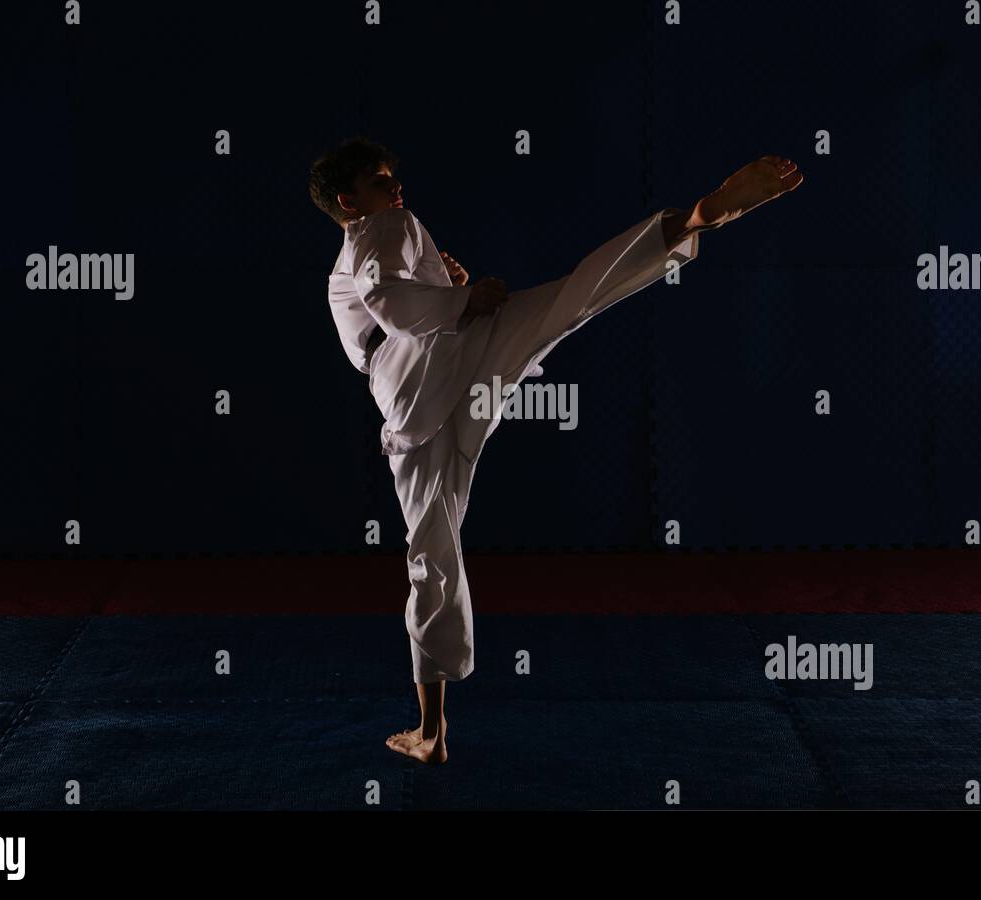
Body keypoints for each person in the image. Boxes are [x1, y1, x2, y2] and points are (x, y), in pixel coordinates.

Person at [310, 136, 803, 764]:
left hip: (416, 383)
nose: (396, 190)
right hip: (439, 357)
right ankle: (692, 220)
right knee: (568, 303)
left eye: (392, 180)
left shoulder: (370, 240)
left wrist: (448, 287)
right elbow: (389, 301)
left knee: (432, 547)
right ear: (350, 201)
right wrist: (457, 295)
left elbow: (390, 299)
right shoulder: (382, 226)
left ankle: (431, 732)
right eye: (381, 182)